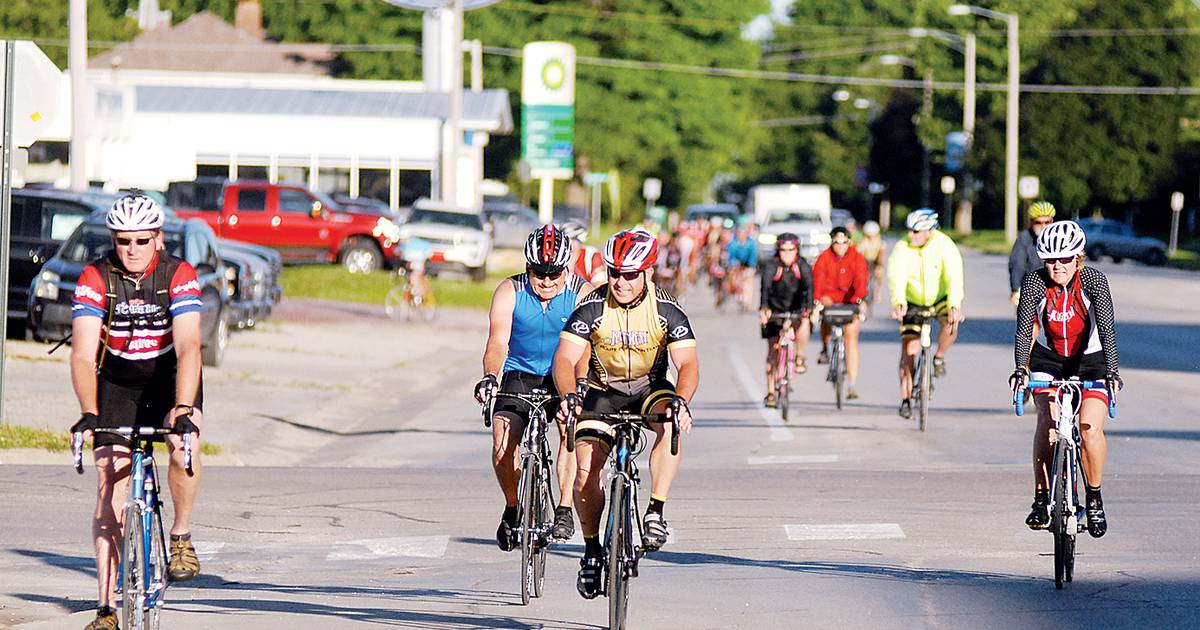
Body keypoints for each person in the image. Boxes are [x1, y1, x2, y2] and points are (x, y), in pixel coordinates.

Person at [68, 194, 205, 630]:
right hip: (118, 382)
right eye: (123, 241)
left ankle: (180, 534)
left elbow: (188, 347)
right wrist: (89, 411)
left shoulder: (178, 274)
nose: (132, 249)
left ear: (158, 239)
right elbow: (82, 353)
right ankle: (106, 608)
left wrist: (183, 408)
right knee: (109, 488)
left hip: (169, 377)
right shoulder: (95, 277)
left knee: (184, 442)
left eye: (142, 240)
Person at [552, 228, 699, 600]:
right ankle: (590, 550)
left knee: (671, 421)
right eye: (614, 272)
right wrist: (569, 396)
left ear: (648, 272)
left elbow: (688, 365)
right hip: (603, 392)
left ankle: (655, 510)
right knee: (585, 466)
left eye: (630, 274)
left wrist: (681, 399)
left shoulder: (667, 309)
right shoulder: (591, 308)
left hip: (649, 388)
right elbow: (564, 359)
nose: (620, 282)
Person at [474, 225, 592, 549]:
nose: (547, 281)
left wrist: (580, 388)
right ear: (528, 268)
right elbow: (497, 340)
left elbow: (586, 351)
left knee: (570, 429)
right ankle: (513, 507)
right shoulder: (509, 291)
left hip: (562, 374)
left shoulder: (582, 294)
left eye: (555, 274)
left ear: (566, 269)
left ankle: (565, 507)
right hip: (520, 373)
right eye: (540, 273)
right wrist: (490, 376)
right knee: (502, 441)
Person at [1008, 220, 1121, 537]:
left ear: (1078, 258)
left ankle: (1094, 499)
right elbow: (1023, 331)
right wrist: (1021, 368)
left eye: (1065, 259)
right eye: (1051, 260)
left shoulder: (1094, 281)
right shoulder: (1034, 283)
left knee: (1088, 428)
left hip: (1091, 361)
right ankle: (1042, 497)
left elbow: (1108, 330)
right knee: (1047, 422)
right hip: (1049, 358)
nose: (1057, 266)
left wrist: (1112, 371)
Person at [886, 209, 965, 419]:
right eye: (909, 230)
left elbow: (953, 275)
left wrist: (954, 304)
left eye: (916, 231)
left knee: (951, 322)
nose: (910, 235)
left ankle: (939, 357)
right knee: (910, 348)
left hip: (939, 297)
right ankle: (905, 398)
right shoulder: (902, 247)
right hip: (912, 300)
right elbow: (897, 276)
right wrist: (899, 302)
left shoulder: (945, 245)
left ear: (929, 231)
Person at [812, 226, 870, 400]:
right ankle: (825, 346)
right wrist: (818, 299)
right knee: (825, 314)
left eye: (844, 243)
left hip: (849, 300)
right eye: (836, 243)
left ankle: (852, 384)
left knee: (851, 338)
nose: (840, 247)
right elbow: (818, 279)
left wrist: (860, 298)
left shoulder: (857, 257)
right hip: (830, 297)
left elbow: (861, 279)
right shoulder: (824, 257)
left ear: (849, 242)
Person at [758, 233, 813, 406]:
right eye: (783, 250)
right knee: (773, 350)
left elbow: (809, 287)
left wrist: (808, 308)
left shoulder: (802, 265)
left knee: (804, 323)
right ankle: (770, 391)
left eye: (791, 250)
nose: (787, 254)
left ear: (797, 251)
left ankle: (800, 355)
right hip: (774, 309)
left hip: (795, 307)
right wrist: (764, 308)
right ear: (778, 251)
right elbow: (765, 288)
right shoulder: (772, 265)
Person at [1009, 201, 1058, 306]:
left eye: (1047, 222)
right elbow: (1018, 265)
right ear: (1031, 222)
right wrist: (1015, 289)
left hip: (1057, 290)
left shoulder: (1059, 238)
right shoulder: (1024, 238)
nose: (1043, 226)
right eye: (1038, 222)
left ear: (1053, 221)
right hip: (1032, 291)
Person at [725, 223, 758, 310]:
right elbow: (730, 256)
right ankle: (737, 295)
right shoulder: (733, 243)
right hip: (736, 265)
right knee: (733, 279)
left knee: (748, 280)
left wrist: (750, 267)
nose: (741, 235)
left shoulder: (752, 244)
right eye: (739, 233)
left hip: (748, 264)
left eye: (743, 233)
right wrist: (732, 265)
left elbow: (753, 256)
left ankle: (746, 301)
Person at [857, 220, 887, 304]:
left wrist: (880, 265)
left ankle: (877, 291)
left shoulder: (880, 242)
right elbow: (860, 254)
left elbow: (882, 255)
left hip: (875, 261)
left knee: (879, 272)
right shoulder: (862, 241)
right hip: (865, 261)